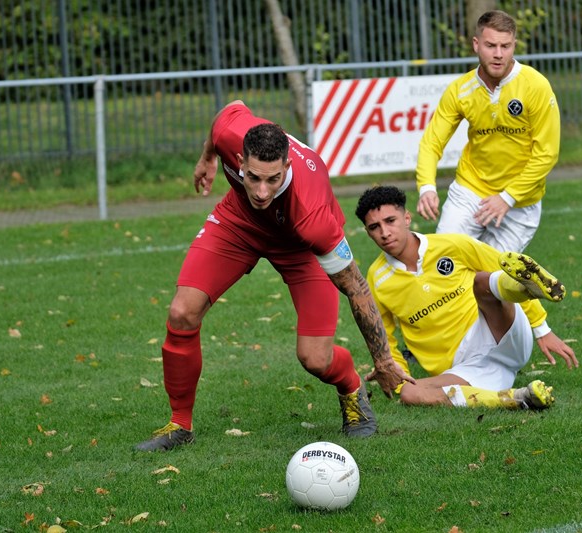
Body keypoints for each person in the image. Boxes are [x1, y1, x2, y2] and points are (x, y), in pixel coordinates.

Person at [135, 101, 414, 452]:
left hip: (300, 245)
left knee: (315, 358)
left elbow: (356, 288)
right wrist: (207, 157)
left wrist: (384, 361)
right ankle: (180, 425)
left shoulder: (313, 217)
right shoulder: (228, 134)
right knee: (181, 312)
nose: (262, 192)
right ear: (240, 160)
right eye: (253, 177)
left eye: (273, 179)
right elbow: (229, 111)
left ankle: (351, 388)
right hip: (239, 223)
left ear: (287, 166)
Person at [355, 186, 577, 408]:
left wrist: (542, 329)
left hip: (501, 330)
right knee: (409, 393)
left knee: (482, 281)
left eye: (390, 221)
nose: (384, 232)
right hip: (465, 368)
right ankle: (518, 398)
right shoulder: (377, 279)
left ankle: (525, 288)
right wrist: (395, 375)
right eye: (375, 227)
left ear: (406, 218)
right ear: (368, 232)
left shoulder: (451, 245)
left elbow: (503, 266)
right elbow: (384, 337)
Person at [415, 10, 560, 253]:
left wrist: (508, 197)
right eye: (491, 45)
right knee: (444, 260)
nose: (498, 54)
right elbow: (432, 142)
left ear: (514, 46)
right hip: (470, 189)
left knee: (491, 273)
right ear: (476, 44)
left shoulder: (536, 86)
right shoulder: (460, 90)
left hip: (520, 201)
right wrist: (427, 187)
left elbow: (547, 154)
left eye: (506, 46)